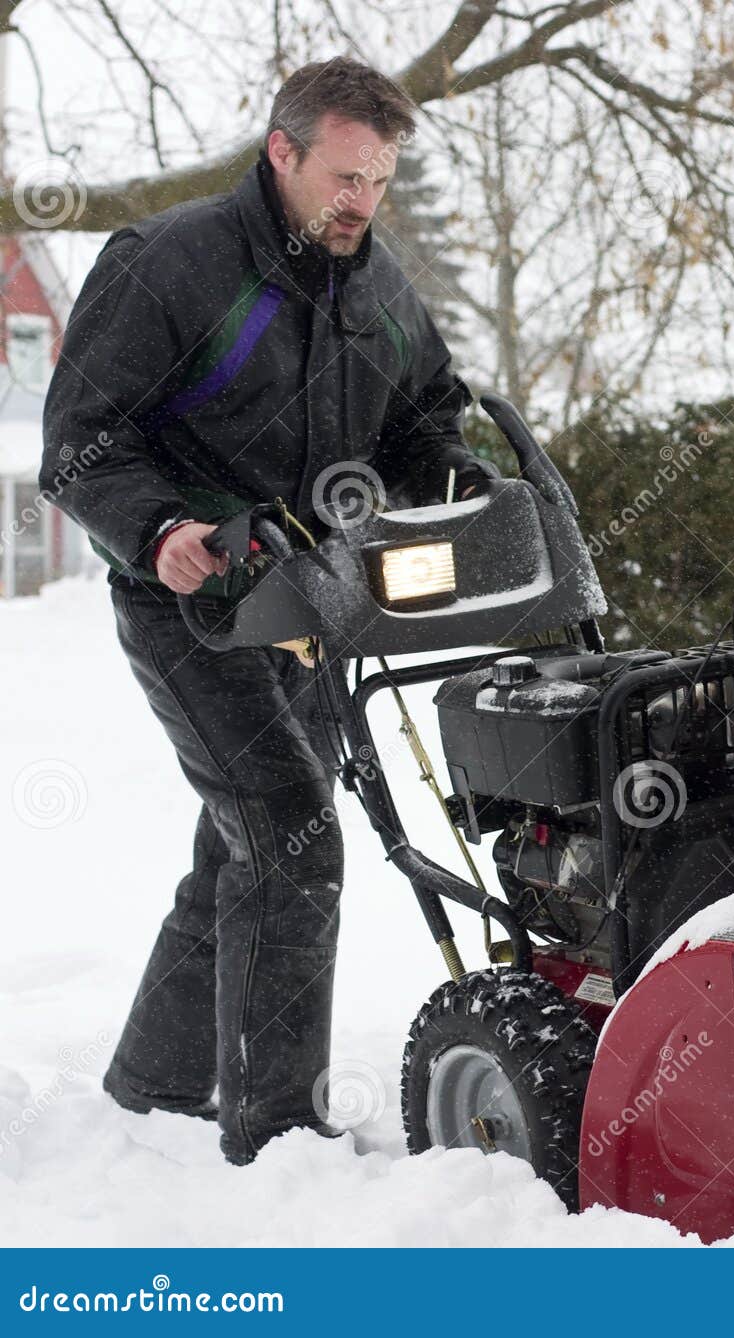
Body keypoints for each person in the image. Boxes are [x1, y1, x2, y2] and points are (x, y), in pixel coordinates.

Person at [40, 56, 496, 1165]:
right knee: (295, 841)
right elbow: (77, 446)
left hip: (322, 605)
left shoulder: (378, 287)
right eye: (343, 178)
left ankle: (152, 1079)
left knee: (240, 846)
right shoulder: (168, 265)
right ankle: (277, 1136)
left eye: (379, 183)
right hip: (193, 604)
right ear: (280, 154)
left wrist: (460, 478)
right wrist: (159, 531)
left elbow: (423, 417)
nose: (361, 204)